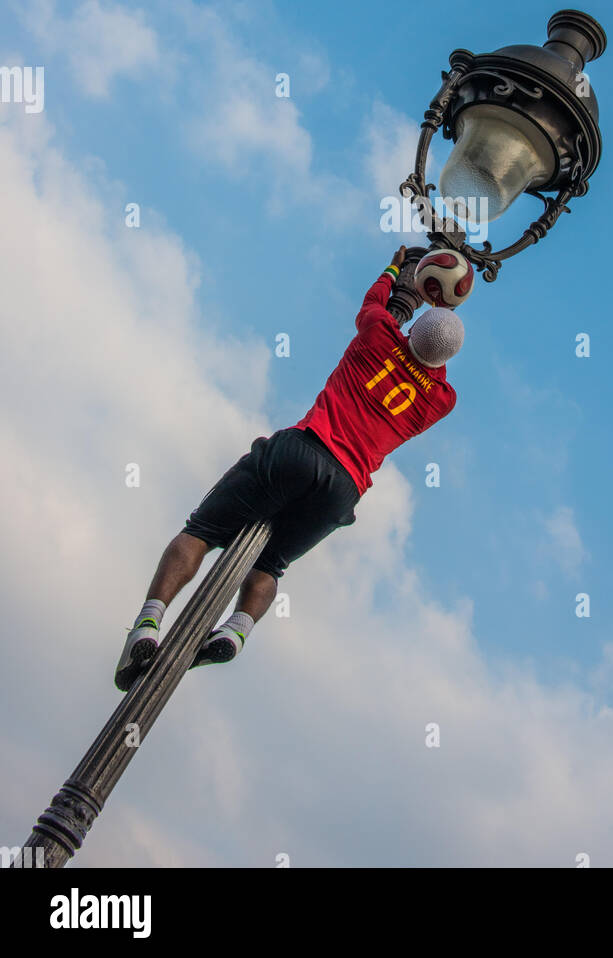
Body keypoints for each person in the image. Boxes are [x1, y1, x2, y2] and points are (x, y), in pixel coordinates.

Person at [114, 247, 463, 691]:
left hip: (306, 447)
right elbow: (437, 352)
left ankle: (148, 624)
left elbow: (375, 302)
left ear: (411, 331)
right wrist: (444, 308)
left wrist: (397, 268)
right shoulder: (440, 402)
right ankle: (237, 630)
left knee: (201, 531)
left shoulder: (378, 334)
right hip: (344, 490)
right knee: (271, 566)